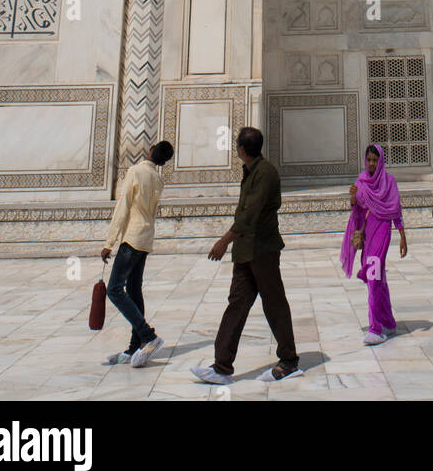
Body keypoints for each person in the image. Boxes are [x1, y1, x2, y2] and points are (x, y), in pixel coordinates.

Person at [191, 126, 301, 385]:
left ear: (242, 149)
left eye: (236, 144)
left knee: (274, 304)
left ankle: (289, 360)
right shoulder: (252, 171)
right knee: (237, 305)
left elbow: (249, 215)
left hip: (262, 249)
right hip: (245, 253)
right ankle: (221, 367)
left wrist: (223, 241)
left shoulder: (265, 173)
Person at [101, 139, 174, 367]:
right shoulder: (158, 179)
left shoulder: (136, 171)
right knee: (133, 291)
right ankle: (134, 348)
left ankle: (149, 336)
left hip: (131, 239)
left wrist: (109, 242)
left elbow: (123, 207)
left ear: (151, 151)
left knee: (114, 290)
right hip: (145, 239)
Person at [341, 144, 407, 345]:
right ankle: (388, 321)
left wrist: (403, 236)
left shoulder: (389, 182)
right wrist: (353, 199)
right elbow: (358, 211)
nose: (371, 164)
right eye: (369, 160)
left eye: (374, 160)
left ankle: (375, 328)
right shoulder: (361, 181)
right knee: (378, 278)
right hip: (369, 234)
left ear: (381, 161)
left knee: (373, 275)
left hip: (382, 233)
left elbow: (395, 210)